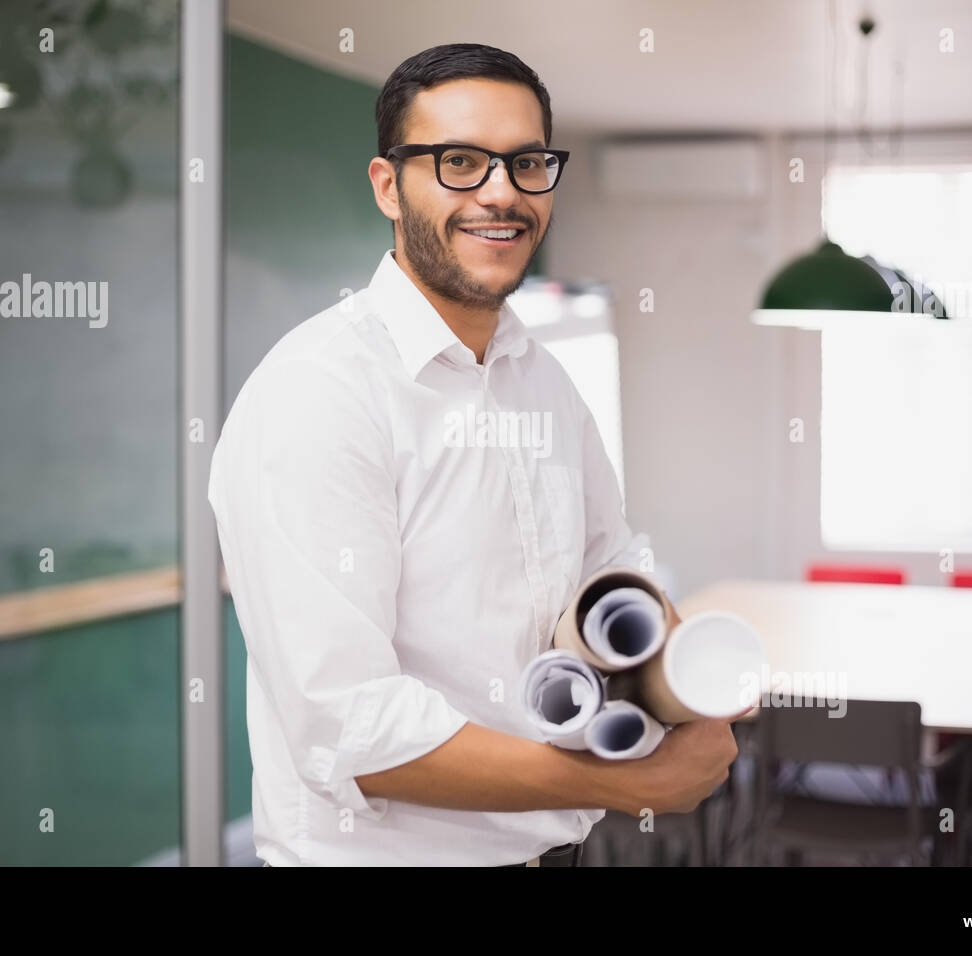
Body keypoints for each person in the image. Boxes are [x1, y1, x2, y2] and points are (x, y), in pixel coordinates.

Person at [207, 42, 739, 867]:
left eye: (528, 163)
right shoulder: (318, 392)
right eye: (460, 161)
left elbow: (612, 568)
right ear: (389, 185)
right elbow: (352, 729)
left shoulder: (543, 379)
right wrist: (625, 785)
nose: (501, 192)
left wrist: (684, 686)